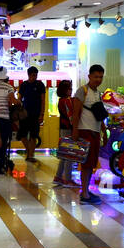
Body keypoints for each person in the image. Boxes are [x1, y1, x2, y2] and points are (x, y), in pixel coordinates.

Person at [71, 64, 107, 204]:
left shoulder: (98, 94)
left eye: (101, 77)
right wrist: (75, 130)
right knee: (85, 164)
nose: (98, 79)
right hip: (84, 131)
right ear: (89, 76)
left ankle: (85, 190)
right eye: (96, 76)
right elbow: (76, 112)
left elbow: (99, 115)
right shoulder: (82, 91)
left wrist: (104, 131)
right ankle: (84, 193)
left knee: (91, 164)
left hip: (95, 132)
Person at [17, 66, 47, 163]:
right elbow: (19, 99)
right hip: (24, 114)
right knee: (22, 135)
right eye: (33, 75)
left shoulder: (40, 85)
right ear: (28, 75)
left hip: (36, 114)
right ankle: (29, 150)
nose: (34, 77)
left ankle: (30, 155)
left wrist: (42, 114)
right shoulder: (24, 85)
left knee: (34, 135)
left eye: (36, 75)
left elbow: (43, 100)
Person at [52, 80, 75, 186]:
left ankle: (58, 176)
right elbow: (71, 116)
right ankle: (68, 178)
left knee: (63, 154)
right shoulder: (67, 101)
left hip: (63, 128)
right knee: (69, 153)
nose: (71, 90)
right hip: (68, 129)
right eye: (70, 88)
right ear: (65, 90)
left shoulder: (61, 100)